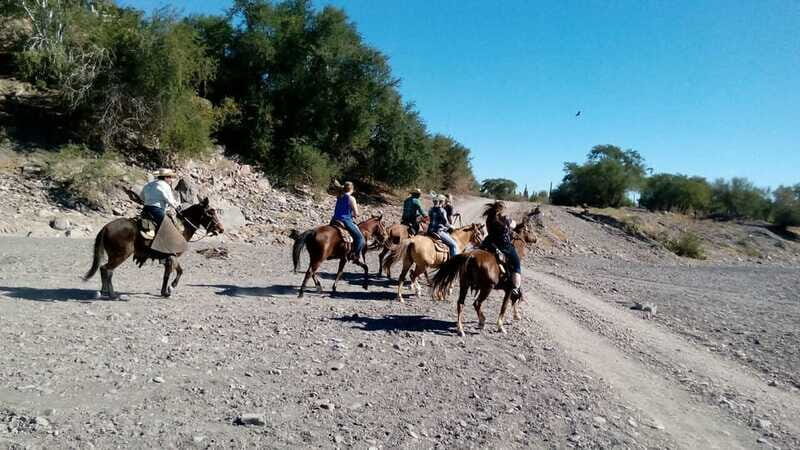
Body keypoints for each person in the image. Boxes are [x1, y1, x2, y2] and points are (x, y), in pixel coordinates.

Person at [482, 201, 522, 299]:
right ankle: (515, 289)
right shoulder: (505, 218)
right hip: (503, 245)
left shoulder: (489, 218)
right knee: (517, 265)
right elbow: (514, 225)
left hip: (489, 243)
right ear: (502, 209)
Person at [331, 181, 364, 261]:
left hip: (334, 220)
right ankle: (355, 255)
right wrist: (356, 214)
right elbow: (356, 213)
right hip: (345, 220)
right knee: (360, 238)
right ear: (352, 189)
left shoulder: (339, 196)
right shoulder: (351, 198)